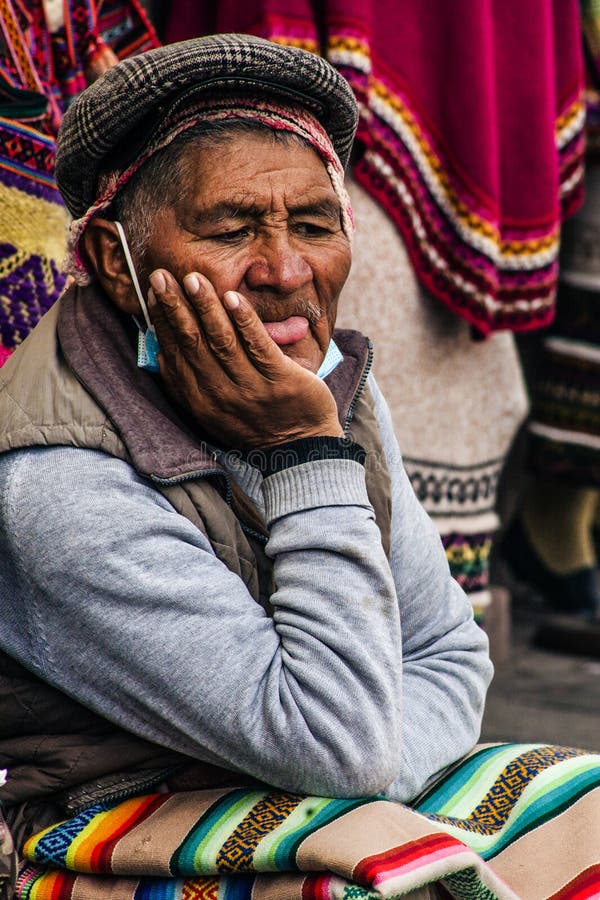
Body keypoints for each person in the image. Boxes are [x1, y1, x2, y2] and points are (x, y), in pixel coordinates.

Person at [0, 34, 492, 862]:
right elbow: (337, 748)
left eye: (313, 224)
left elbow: (447, 653)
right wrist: (301, 454)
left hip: (309, 794)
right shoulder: (57, 474)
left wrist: (377, 777)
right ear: (114, 266)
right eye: (232, 230)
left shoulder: (326, 379)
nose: (287, 269)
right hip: (111, 831)